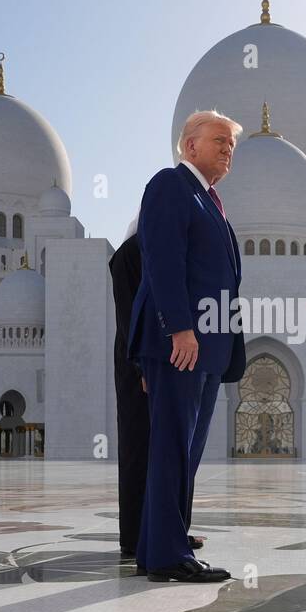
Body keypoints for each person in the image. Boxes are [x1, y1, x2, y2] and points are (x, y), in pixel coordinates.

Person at [126, 110, 246, 582]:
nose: (227, 148)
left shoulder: (210, 201)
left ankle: (160, 542)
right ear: (189, 146)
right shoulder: (170, 186)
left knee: (185, 449)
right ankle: (168, 556)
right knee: (174, 446)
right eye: (219, 139)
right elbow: (162, 259)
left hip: (207, 345)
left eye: (231, 143)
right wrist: (179, 327)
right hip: (183, 343)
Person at [109, 215, 207, 561]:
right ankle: (136, 537)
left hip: (161, 360)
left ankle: (170, 529)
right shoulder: (131, 256)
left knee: (169, 448)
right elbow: (130, 316)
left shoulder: (150, 253)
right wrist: (141, 366)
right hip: (142, 364)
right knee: (140, 448)